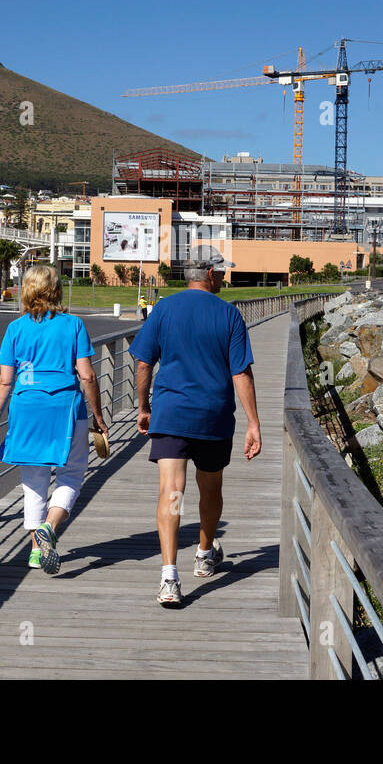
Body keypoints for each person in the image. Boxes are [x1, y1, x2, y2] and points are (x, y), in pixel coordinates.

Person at [128, 245, 261, 607]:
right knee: (210, 488)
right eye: (223, 272)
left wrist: (143, 407)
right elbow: (241, 372)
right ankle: (203, 552)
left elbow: (143, 363)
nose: (225, 278)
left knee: (171, 490)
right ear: (211, 274)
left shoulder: (164, 309)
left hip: (170, 412)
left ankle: (169, 577)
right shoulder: (229, 315)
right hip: (213, 415)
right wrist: (253, 423)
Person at [0, 265, 107, 574]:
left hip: (26, 409)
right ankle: (49, 528)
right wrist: (99, 415)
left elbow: (4, 381)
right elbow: (87, 375)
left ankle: (36, 552)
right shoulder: (74, 325)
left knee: (34, 483)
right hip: (66, 409)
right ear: (56, 291)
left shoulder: (16, 328)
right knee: (72, 474)